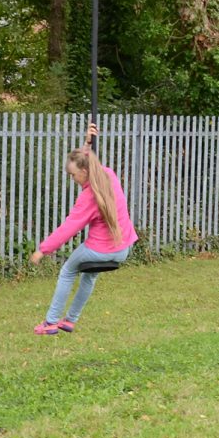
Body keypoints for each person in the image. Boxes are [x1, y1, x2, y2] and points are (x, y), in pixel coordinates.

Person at [30, 123, 138, 335]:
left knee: (68, 272)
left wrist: (43, 250)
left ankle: (51, 322)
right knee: (89, 275)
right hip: (122, 250)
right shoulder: (109, 175)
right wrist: (88, 142)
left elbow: (68, 228)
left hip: (100, 249)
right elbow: (89, 161)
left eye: (73, 175)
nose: (73, 179)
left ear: (84, 172)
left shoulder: (88, 198)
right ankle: (69, 321)